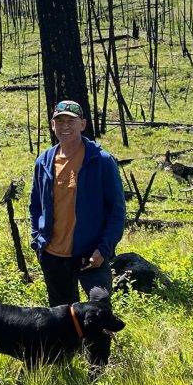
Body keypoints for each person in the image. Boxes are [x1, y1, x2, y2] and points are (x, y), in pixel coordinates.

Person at [28, 100, 126, 307]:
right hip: (53, 255)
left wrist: (103, 249)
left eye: (71, 121)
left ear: (82, 124)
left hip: (91, 253)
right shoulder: (44, 161)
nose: (65, 126)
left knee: (100, 304)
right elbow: (35, 205)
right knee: (63, 317)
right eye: (60, 121)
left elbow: (117, 211)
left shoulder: (101, 161)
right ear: (52, 125)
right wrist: (38, 240)